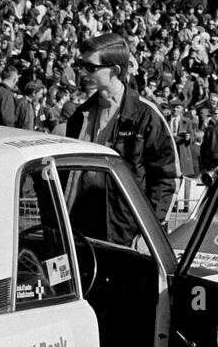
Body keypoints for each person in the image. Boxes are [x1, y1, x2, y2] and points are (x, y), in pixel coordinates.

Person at [65, 32, 178, 231]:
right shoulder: (79, 116)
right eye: (80, 65)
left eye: (91, 67)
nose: (82, 72)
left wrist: (151, 231)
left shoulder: (147, 115)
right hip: (82, 222)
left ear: (115, 70)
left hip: (126, 228)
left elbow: (166, 177)